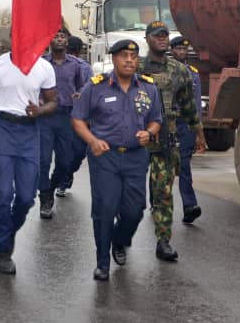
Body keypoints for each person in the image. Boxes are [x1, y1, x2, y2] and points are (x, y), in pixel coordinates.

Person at [72, 39, 162, 280]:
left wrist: (150, 133)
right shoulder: (96, 86)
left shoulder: (148, 88)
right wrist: (92, 141)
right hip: (105, 157)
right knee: (105, 208)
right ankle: (102, 263)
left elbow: (156, 119)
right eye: (124, 55)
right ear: (113, 59)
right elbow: (78, 119)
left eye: (134, 56)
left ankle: (120, 241)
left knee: (135, 210)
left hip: (135, 157)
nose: (130, 60)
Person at [0, 50, 57, 275]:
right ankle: (2, 250)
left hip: (30, 132)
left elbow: (53, 102)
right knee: (3, 194)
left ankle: (8, 234)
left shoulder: (44, 68)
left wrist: (40, 110)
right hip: (3, 130)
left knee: (27, 197)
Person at [140, 21, 205, 262]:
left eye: (165, 35)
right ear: (148, 39)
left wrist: (199, 134)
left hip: (165, 140)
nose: (162, 39)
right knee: (129, 197)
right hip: (135, 140)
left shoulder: (179, 70)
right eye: (157, 35)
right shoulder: (135, 66)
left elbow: (188, 107)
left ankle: (163, 240)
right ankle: (121, 234)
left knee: (164, 193)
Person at [38, 28, 89, 219]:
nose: (59, 39)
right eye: (55, 36)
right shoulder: (41, 63)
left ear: (67, 41)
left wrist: (79, 93)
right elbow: (32, 84)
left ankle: (51, 187)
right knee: (43, 161)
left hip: (66, 117)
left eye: (62, 37)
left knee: (65, 161)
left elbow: (82, 85)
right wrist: (37, 99)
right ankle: (44, 198)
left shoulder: (75, 65)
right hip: (45, 118)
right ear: (50, 40)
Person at [169, 35, 206, 224]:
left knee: (184, 165)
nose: (182, 52)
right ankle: (156, 201)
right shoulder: (164, 70)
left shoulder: (193, 73)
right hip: (166, 123)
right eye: (178, 49)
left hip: (185, 124)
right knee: (163, 165)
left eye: (184, 49)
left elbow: (197, 104)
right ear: (171, 50)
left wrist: (199, 132)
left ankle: (189, 206)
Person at [66, 35, 93, 188]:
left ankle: (67, 174)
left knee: (79, 151)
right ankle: (64, 176)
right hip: (61, 115)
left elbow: (90, 90)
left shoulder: (85, 67)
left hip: (79, 116)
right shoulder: (53, 65)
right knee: (70, 152)